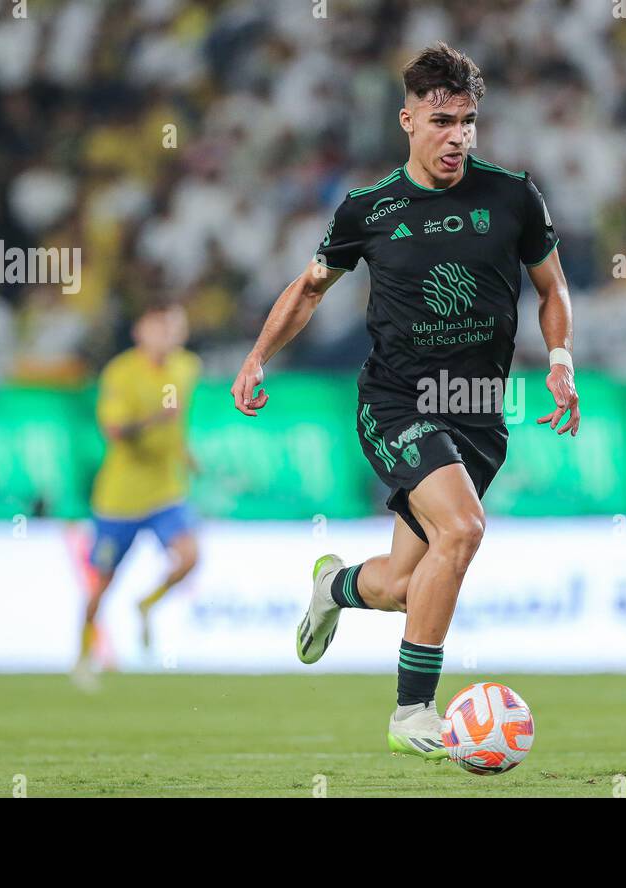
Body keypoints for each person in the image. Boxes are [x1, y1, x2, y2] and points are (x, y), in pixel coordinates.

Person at [229, 43, 580, 759]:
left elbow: (552, 288)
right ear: (408, 121)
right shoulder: (369, 209)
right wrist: (259, 356)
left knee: (398, 587)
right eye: (443, 120)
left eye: (469, 121)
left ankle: (336, 586)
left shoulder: (512, 195)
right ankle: (413, 711)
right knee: (464, 529)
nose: (459, 136)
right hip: (397, 402)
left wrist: (562, 362)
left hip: (480, 409)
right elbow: (308, 289)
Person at [75, 302, 202, 690]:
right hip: (120, 500)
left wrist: (183, 452)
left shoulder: (185, 367)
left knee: (190, 558)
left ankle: (147, 604)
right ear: (139, 333)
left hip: (166, 492)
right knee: (102, 585)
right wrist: (153, 420)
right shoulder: (122, 372)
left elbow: (176, 420)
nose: (165, 336)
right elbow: (113, 430)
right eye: (157, 328)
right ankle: (82, 656)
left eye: (170, 329)